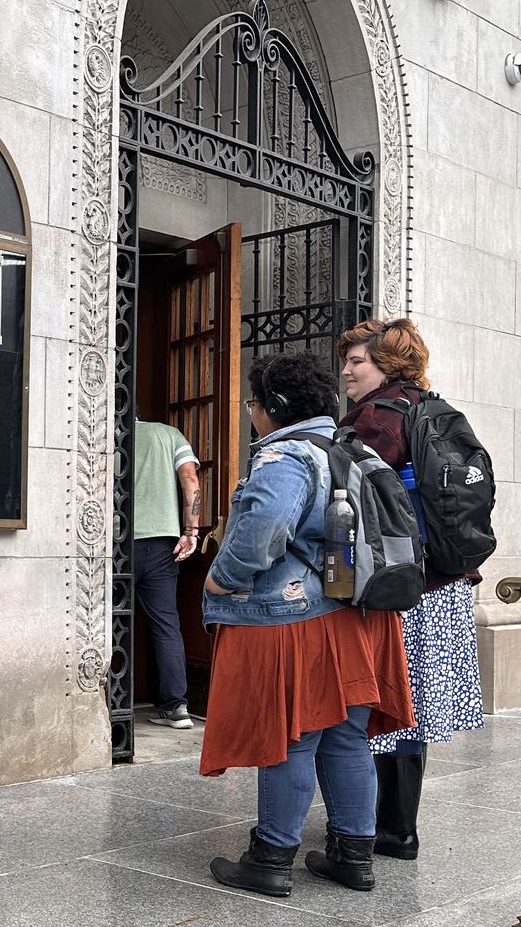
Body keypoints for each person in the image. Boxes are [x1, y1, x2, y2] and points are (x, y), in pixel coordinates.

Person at [200, 352, 415, 898]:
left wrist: (221, 579)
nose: (252, 413)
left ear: (273, 405)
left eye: (253, 403)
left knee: (294, 737)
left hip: (300, 619)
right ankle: (353, 857)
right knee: (346, 738)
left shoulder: (286, 456)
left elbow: (262, 533)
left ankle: (270, 860)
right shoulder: (355, 448)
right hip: (359, 617)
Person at [338, 317, 485, 860]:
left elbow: (348, 503)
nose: (346, 371)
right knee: (413, 708)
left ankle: (384, 828)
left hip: (398, 588)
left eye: (356, 361)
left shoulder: (377, 418)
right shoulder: (434, 409)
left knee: (386, 704)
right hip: (443, 585)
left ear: (387, 365)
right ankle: (397, 826)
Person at [132, 418, 203, 729]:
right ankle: (177, 706)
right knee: (166, 625)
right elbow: (190, 478)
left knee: (106, 620)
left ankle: (105, 703)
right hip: (163, 541)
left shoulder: (109, 431)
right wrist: (192, 530)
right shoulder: (170, 435)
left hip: (118, 540)